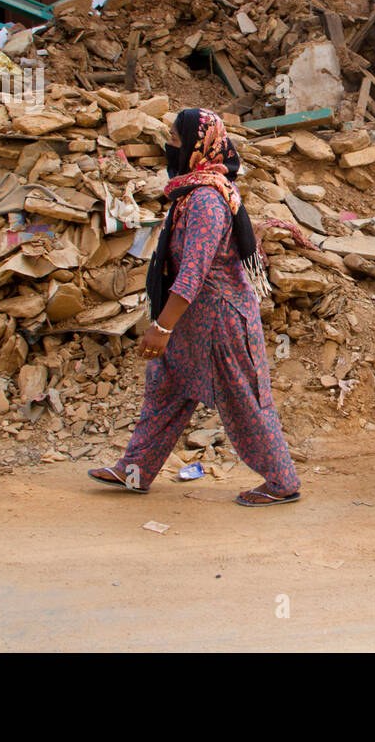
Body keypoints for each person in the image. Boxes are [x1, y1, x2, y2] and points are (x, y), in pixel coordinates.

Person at [88, 109, 301, 505]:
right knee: (165, 390)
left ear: (195, 143)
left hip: (220, 321)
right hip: (192, 320)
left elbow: (193, 273)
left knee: (244, 400)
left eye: (173, 135)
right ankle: (134, 470)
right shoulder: (192, 191)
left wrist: (162, 327)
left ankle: (282, 482)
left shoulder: (205, 199)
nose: (168, 143)